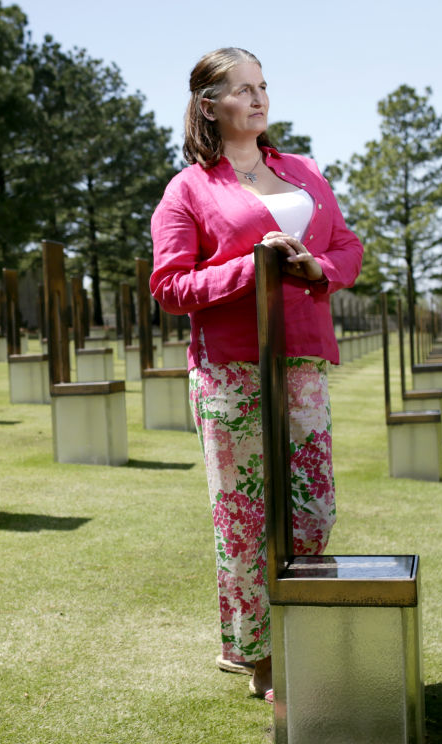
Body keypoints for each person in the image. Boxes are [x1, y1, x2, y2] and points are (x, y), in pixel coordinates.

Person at [150, 47, 362, 702]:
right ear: (210, 107)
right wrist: (254, 265)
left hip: (301, 359)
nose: (260, 98)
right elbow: (170, 285)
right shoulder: (189, 190)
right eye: (244, 89)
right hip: (230, 369)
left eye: (264, 85)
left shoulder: (303, 172)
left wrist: (314, 268)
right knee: (244, 516)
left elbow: (347, 247)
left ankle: (299, 631)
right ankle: (260, 653)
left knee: (312, 505)